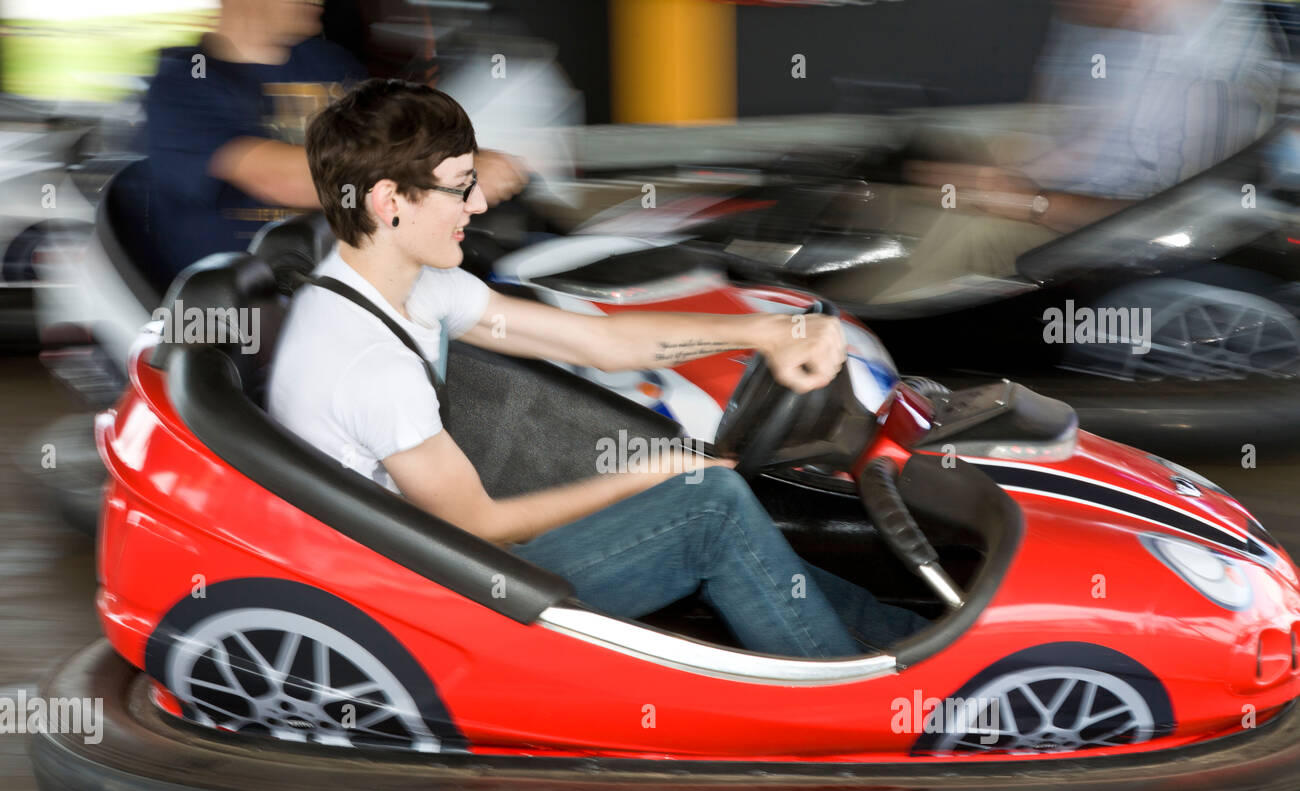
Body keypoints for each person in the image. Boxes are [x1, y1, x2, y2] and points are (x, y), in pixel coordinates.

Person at [267, 78, 929, 659]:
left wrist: (765, 331)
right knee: (712, 510)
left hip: (435, 557)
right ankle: (853, 705)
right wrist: (645, 474)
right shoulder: (369, 364)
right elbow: (480, 527)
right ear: (389, 201)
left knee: (711, 495)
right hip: (429, 600)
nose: (477, 205)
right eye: (459, 188)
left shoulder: (408, 285)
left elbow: (601, 344)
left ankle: (908, 647)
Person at [859, 0, 1281, 304]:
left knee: (970, 231)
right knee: (923, 166)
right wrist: (1002, 168)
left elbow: (1174, 222)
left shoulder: (1218, 65)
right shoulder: (1103, 25)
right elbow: (1067, 137)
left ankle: (880, 342)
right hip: (1077, 198)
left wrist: (1029, 203)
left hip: (1133, 242)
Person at [144, 0, 528, 279]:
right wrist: (439, 172)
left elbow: (400, 141)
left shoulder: (331, 65)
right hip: (250, 307)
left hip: (355, 279)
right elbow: (288, 179)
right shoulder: (183, 85)